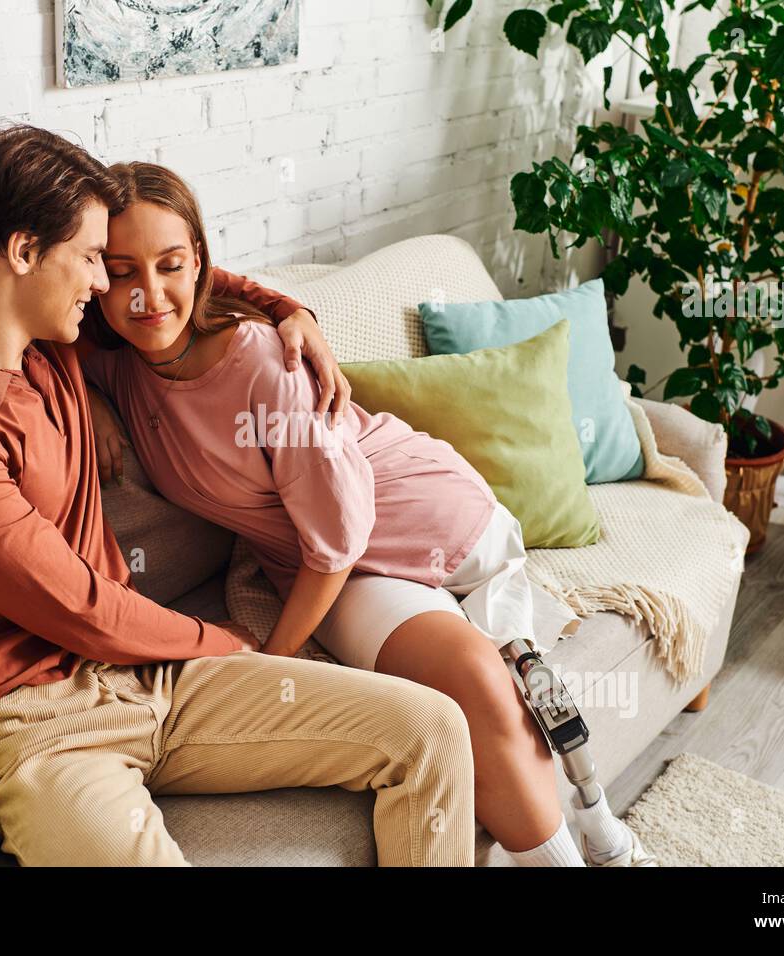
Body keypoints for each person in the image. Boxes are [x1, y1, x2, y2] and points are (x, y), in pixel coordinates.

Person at [0, 124, 478, 866]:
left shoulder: (46, 340)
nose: (102, 284)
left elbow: (173, 286)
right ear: (24, 253)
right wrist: (232, 646)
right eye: (92, 259)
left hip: (160, 677)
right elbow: (81, 608)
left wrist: (286, 310)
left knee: (432, 728)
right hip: (48, 727)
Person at [80, 160, 656, 867]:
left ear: (199, 260)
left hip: (420, 517)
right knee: (476, 678)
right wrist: (98, 405)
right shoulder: (111, 361)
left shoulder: (265, 362)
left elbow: (334, 541)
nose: (149, 295)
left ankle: (597, 826)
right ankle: (596, 834)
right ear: (94, 276)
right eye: (122, 271)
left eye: (170, 265)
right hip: (345, 571)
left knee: (501, 676)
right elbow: (30, 317)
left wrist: (273, 658)